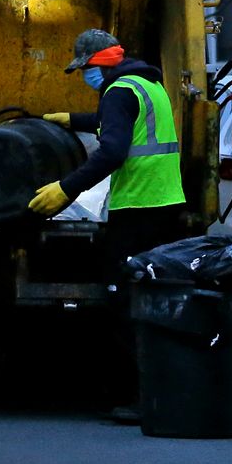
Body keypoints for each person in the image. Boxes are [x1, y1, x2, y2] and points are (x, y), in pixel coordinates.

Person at [31, 29, 192, 420]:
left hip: (137, 206)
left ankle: (138, 398)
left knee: (123, 300)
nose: (86, 78)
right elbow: (122, 125)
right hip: (164, 202)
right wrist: (74, 120)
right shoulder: (146, 83)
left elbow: (114, 151)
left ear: (98, 64)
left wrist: (66, 189)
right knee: (152, 298)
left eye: (85, 69)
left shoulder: (118, 91)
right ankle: (162, 390)